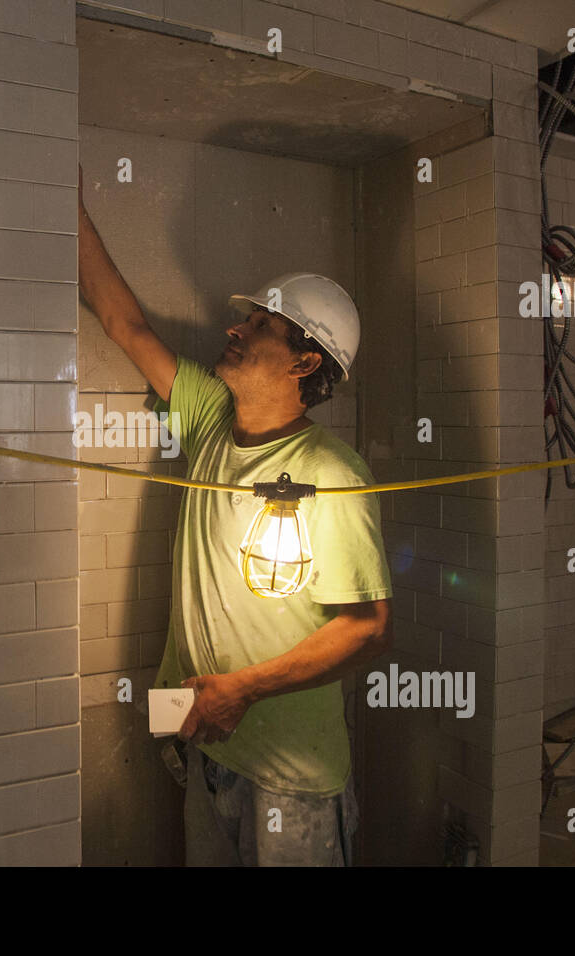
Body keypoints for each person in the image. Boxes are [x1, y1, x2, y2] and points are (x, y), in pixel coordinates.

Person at [77, 165, 394, 866]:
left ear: (304, 360)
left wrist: (242, 690)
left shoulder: (332, 473)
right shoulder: (210, 417)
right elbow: (123, 324)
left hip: (292, 780)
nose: (236, 329)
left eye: (260, 325)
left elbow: (367, 628)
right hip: (208, 744)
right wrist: (68, 207)